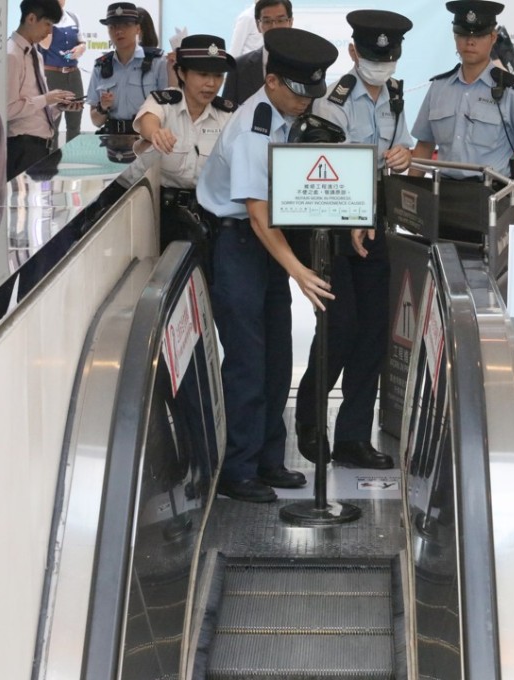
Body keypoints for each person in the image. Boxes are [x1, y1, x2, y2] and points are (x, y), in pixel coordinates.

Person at [196, 27, 339, 503]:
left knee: (277, 357)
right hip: (239, 244)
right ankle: (238, 472)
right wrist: (299, 271)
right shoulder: (255, 125)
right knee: (247, 362)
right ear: (272, 80)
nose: (306, 103)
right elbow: (257, 213)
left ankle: (268, 460)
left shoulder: (287, 114)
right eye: (300, 93)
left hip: (268, 244)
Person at [295, 10, 415, 471]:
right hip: (331, 227)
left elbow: (399, 151)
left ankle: (352, 438)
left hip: (377, 222)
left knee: (372, 334)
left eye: (388, 58)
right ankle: (309, 417)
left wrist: (404, 155)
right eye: (371, 56)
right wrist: (351, 216)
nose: (380, 65)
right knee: (340, 326)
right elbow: (320, 170)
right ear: (353, 53)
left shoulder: (396, 97)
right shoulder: (333, 100)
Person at [411, 1, 514, 224]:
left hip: (494, 197)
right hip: (444, 197)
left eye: (479, 35)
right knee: (445, 258)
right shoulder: (438, 88)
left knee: (493, 259)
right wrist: (411, 195)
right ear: (454, 36)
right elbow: (424, 145)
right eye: (463, 33)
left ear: (492, 38)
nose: (470, 41)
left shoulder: (511, 90)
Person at [133, 35, 237, 252]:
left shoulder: (227, 114)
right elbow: (147, 121)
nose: (211, 83)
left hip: (209, 214)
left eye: (218, 75)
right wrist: (156, 134)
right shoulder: (165, 102)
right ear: (182, 73)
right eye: (202, 74)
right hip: (162, 213)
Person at [7, 0, 79, 179]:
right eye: (47, 24)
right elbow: (7, 110)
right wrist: (46, 99)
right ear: (31, 18)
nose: (49, 32)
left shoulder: (36, 55)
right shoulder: (11, 55)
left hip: (42, 147)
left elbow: (35, 111)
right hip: (21, 148)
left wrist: (57, 107)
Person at [87, 3, 167, 134]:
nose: (119, 31)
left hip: (146, 139)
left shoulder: (157, 62)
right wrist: (103, 107)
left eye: (126, 25)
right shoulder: (101, 66)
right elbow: (96, 121)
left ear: (137, 29)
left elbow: (169, 110)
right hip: (113, 142)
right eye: (113, 27)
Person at [223, 0, 294, 105]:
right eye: (267, 21)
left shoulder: (306, 64)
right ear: (258, 24)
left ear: (290, 22)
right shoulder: (238, 67)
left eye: (280, 20)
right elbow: (227, 114)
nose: (274, 27)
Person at [38, 0, 85, 146]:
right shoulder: (43, 19)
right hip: (52, 76)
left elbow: (82, 42)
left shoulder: (73, 17)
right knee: (52, 125)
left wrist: (80, 49)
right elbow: (45, 44)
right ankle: (50, 163)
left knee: (74, 123)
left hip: (73, 75)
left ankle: (74, 160)